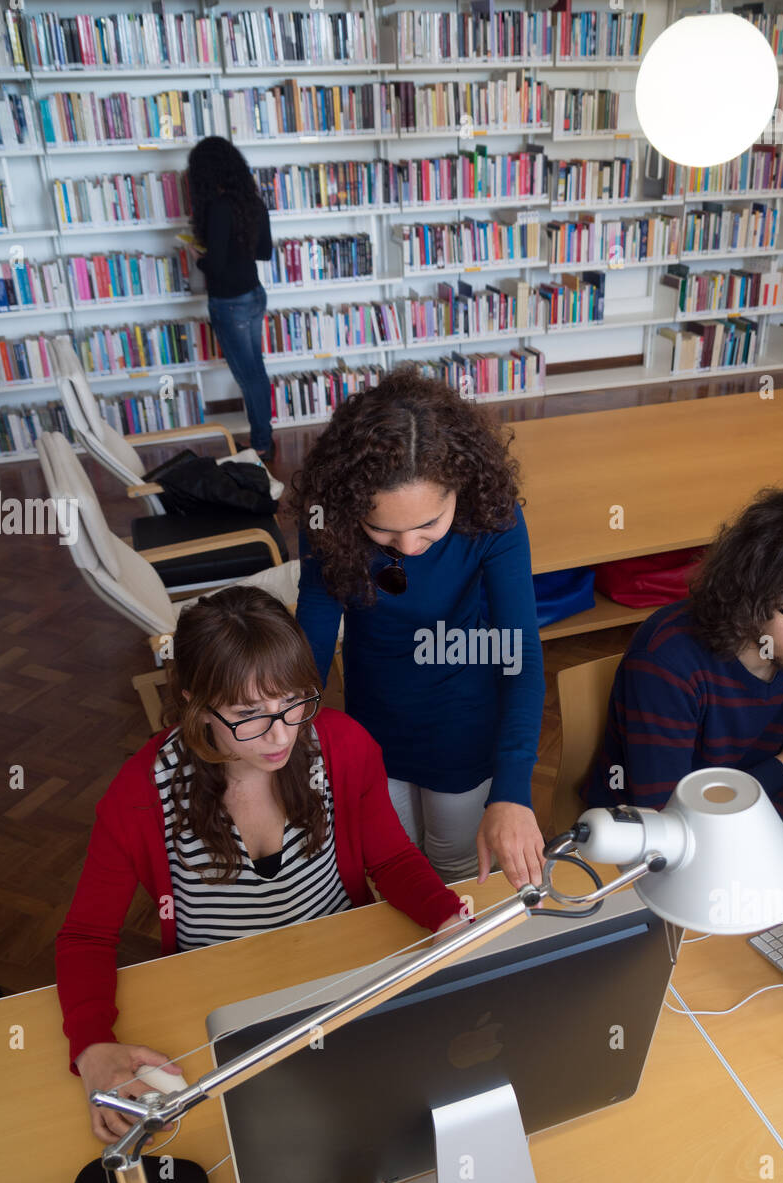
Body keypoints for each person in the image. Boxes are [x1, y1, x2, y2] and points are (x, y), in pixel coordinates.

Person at [57, 586, 465, 1143]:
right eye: (248, 715)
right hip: (223, 1004)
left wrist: (444, 913)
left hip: (339, 978)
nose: (280, 734)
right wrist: (92, 1045)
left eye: (293, 702)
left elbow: (391, 859)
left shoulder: (343, 747)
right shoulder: (140, 793)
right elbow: (85, 936)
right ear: (197, 705)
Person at [291, 369, 546, 890]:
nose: (408, 546)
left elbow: (520, 658)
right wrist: (287, 731)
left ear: (460, 487)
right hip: (373, 721)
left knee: (455, 871)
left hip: (462, 725)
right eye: (383, 529)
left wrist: (513, 789)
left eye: (430, 523)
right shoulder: (327, 520)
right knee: (393, 869)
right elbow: (311, 640)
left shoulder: (494, 516)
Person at [584, 485, 783, 847]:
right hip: (639, 844)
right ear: (751, 601)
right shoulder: (665, 661)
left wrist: (746, 835)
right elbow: (669, 826)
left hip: (755, 848)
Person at [186, 135, 275, 463]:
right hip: (254, 295)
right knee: (256, 371)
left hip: (231, 301)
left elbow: (217, 267)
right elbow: (264, 252)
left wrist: (197, 255)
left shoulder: (220, 208)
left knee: (248, 375)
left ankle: (262, 443)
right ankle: (264, 437)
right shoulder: (251, 202)